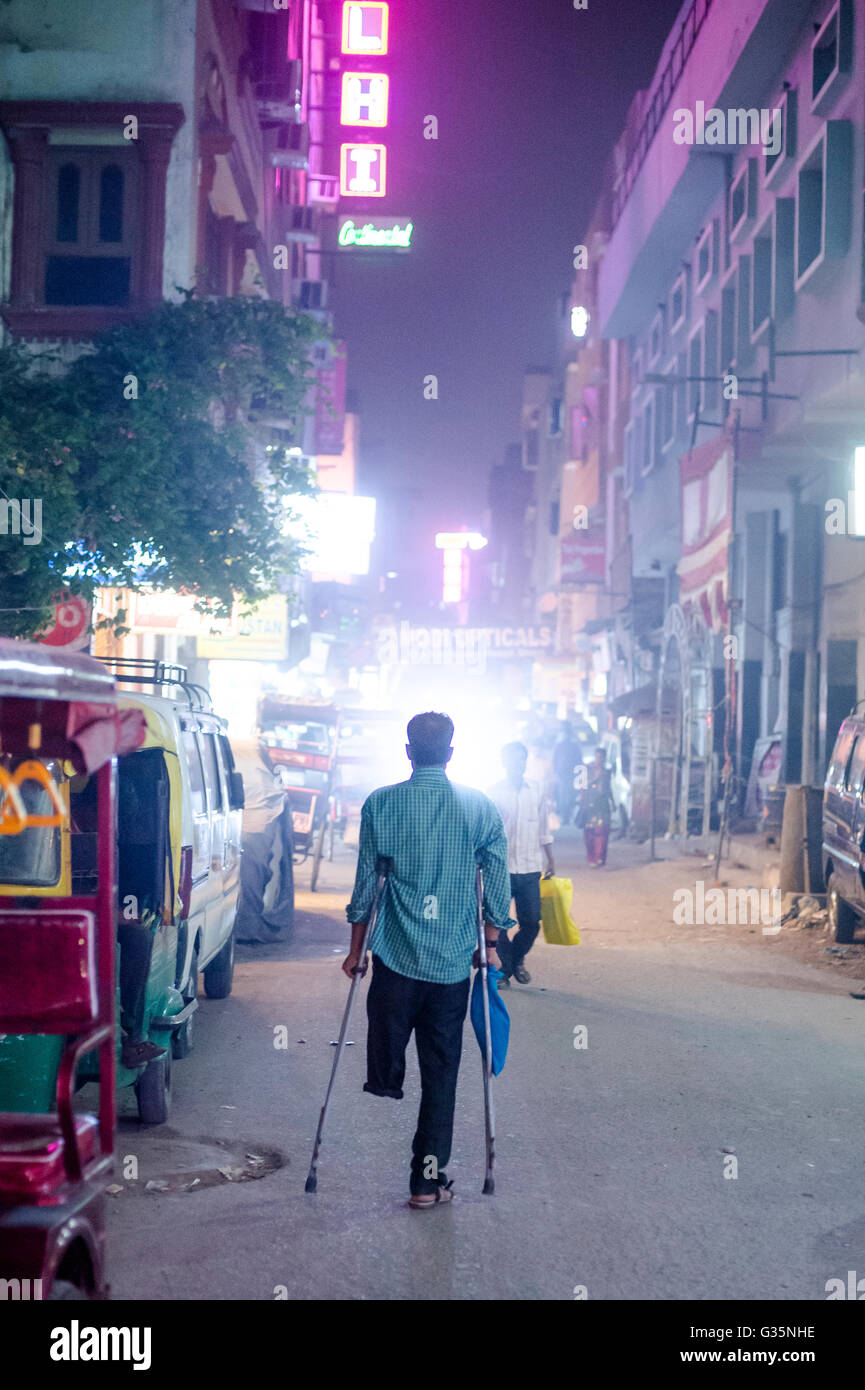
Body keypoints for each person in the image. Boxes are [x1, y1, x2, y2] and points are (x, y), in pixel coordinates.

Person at [345, 711, 514, 1210]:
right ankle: (425, 1181)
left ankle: (385, 1077)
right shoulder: (480, 808)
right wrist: (490, 941)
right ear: (452, 752)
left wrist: (357, 951)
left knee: (389, 1049)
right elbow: (497, 881)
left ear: (407, 750)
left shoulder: (380, 804)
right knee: (441, 1076)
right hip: (450, 969)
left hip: (395, 964)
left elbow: (364, 888)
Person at [489, 742, 555, 986]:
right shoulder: (494, 792)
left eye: (522, 759)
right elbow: (490, 831)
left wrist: (551, 859)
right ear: (504, 762)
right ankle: (505, 970)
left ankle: (517, 958)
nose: (518, 764)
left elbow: (544, 828)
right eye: (513, 760)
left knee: (531, 922)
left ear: (526, 762)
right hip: (502, 869)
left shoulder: (537, 790)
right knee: (499, 922)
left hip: (530, 867)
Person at [579, 746, 615, 868]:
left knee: (602, 831)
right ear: (595, 757)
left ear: (604, 758)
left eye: (602, 757)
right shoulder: (587, 770)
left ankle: (600, 857)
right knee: (590, 833)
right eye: (597, 756)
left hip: (603, 805)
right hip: (589, 805)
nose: (599, 759)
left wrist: (613, 803)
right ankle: (591, 858)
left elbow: (608, 789)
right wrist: (595, 779)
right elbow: (582, 787)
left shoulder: (606, 771)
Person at [551, 721, 581, 822]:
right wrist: (555, 772)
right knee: (563, 795)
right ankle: (565, 816)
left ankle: (567, 814)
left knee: (571, 794)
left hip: (571, 773)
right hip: (562, 773)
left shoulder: (574, 743)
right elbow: (555, 759)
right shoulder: (559, 744)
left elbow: (578, 758)